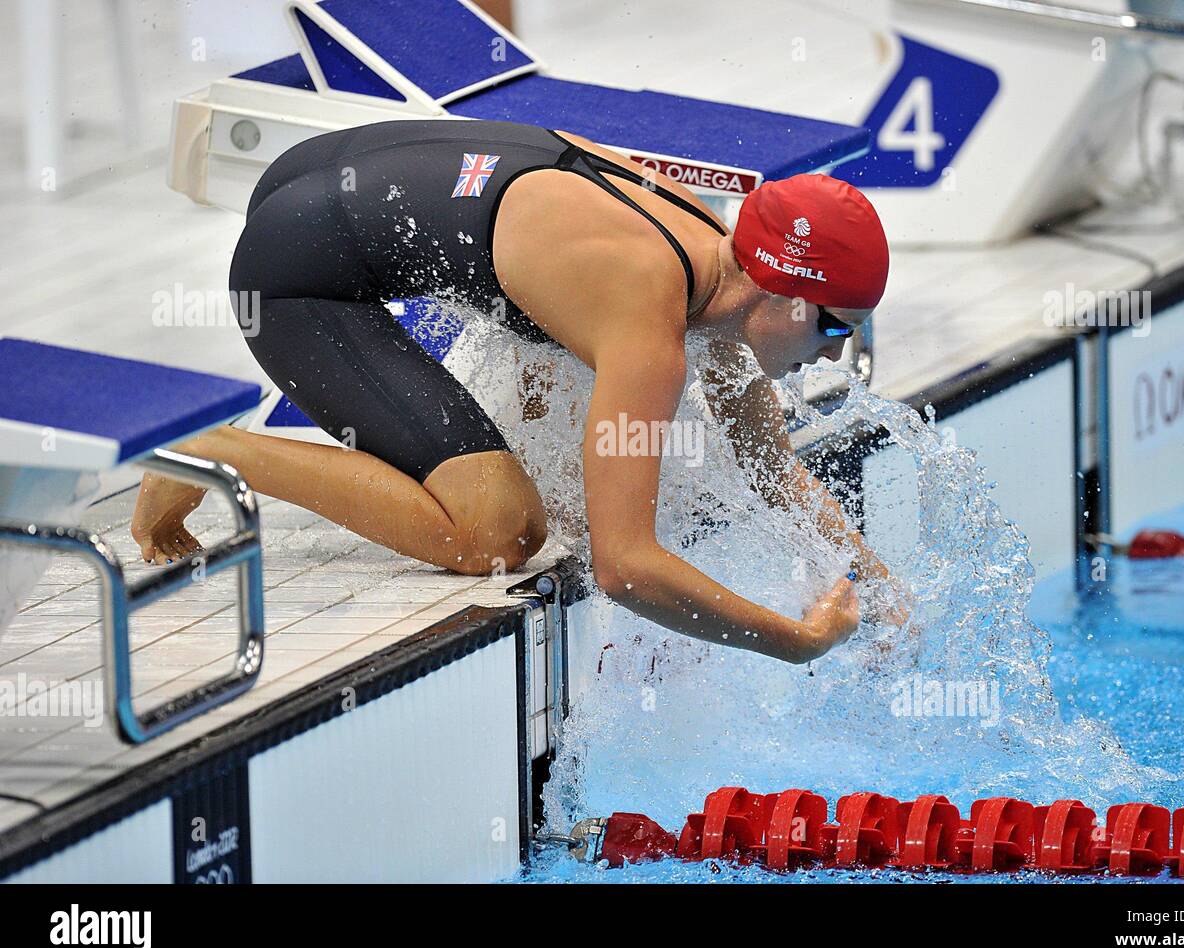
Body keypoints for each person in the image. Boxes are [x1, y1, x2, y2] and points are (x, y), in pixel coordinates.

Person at [132, 119, 896, 664]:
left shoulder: (721, 260)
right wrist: (790, 640)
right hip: (299, 278)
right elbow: (625, 566)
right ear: (786, 297)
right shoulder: (647, 320)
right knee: (501, 534)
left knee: (560, 436)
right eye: (838, 327)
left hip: (333, 165)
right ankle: (207, 451)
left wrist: (878, 586)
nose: (840, 350)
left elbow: (772, 468)